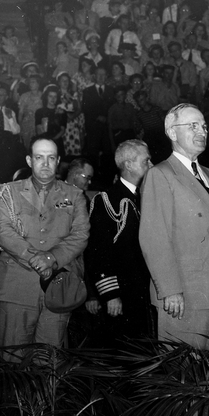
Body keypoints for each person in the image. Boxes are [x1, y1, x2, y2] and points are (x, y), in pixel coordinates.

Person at [139, 104, 209, 350]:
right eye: (192, 126)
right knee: (187, 376)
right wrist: (170, 290)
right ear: (172, 133)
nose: (202, 131)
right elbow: (154, 239)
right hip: (185, 294)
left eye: (204, 126)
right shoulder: (160, 174)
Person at [0, 135, 90, 357]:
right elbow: (3, 230)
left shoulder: (74, 195)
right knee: (13, 360)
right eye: (39, 157)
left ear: (58, 161)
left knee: (49, 360)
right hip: (17, 286)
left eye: (50, 158)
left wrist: (50, 258)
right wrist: (35, 257)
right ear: (29, 160)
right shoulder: (8, 192)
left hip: (60, 287)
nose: (45, 163)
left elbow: (81, 234)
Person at [85, 140, 154, 346]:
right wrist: (111, 294)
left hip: (148, 290)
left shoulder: (150, 196)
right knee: (127, 351)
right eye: (146, 161)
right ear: (129, 165)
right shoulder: (107, 199)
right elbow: (98, 252)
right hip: (124, 292)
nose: (151, 165)